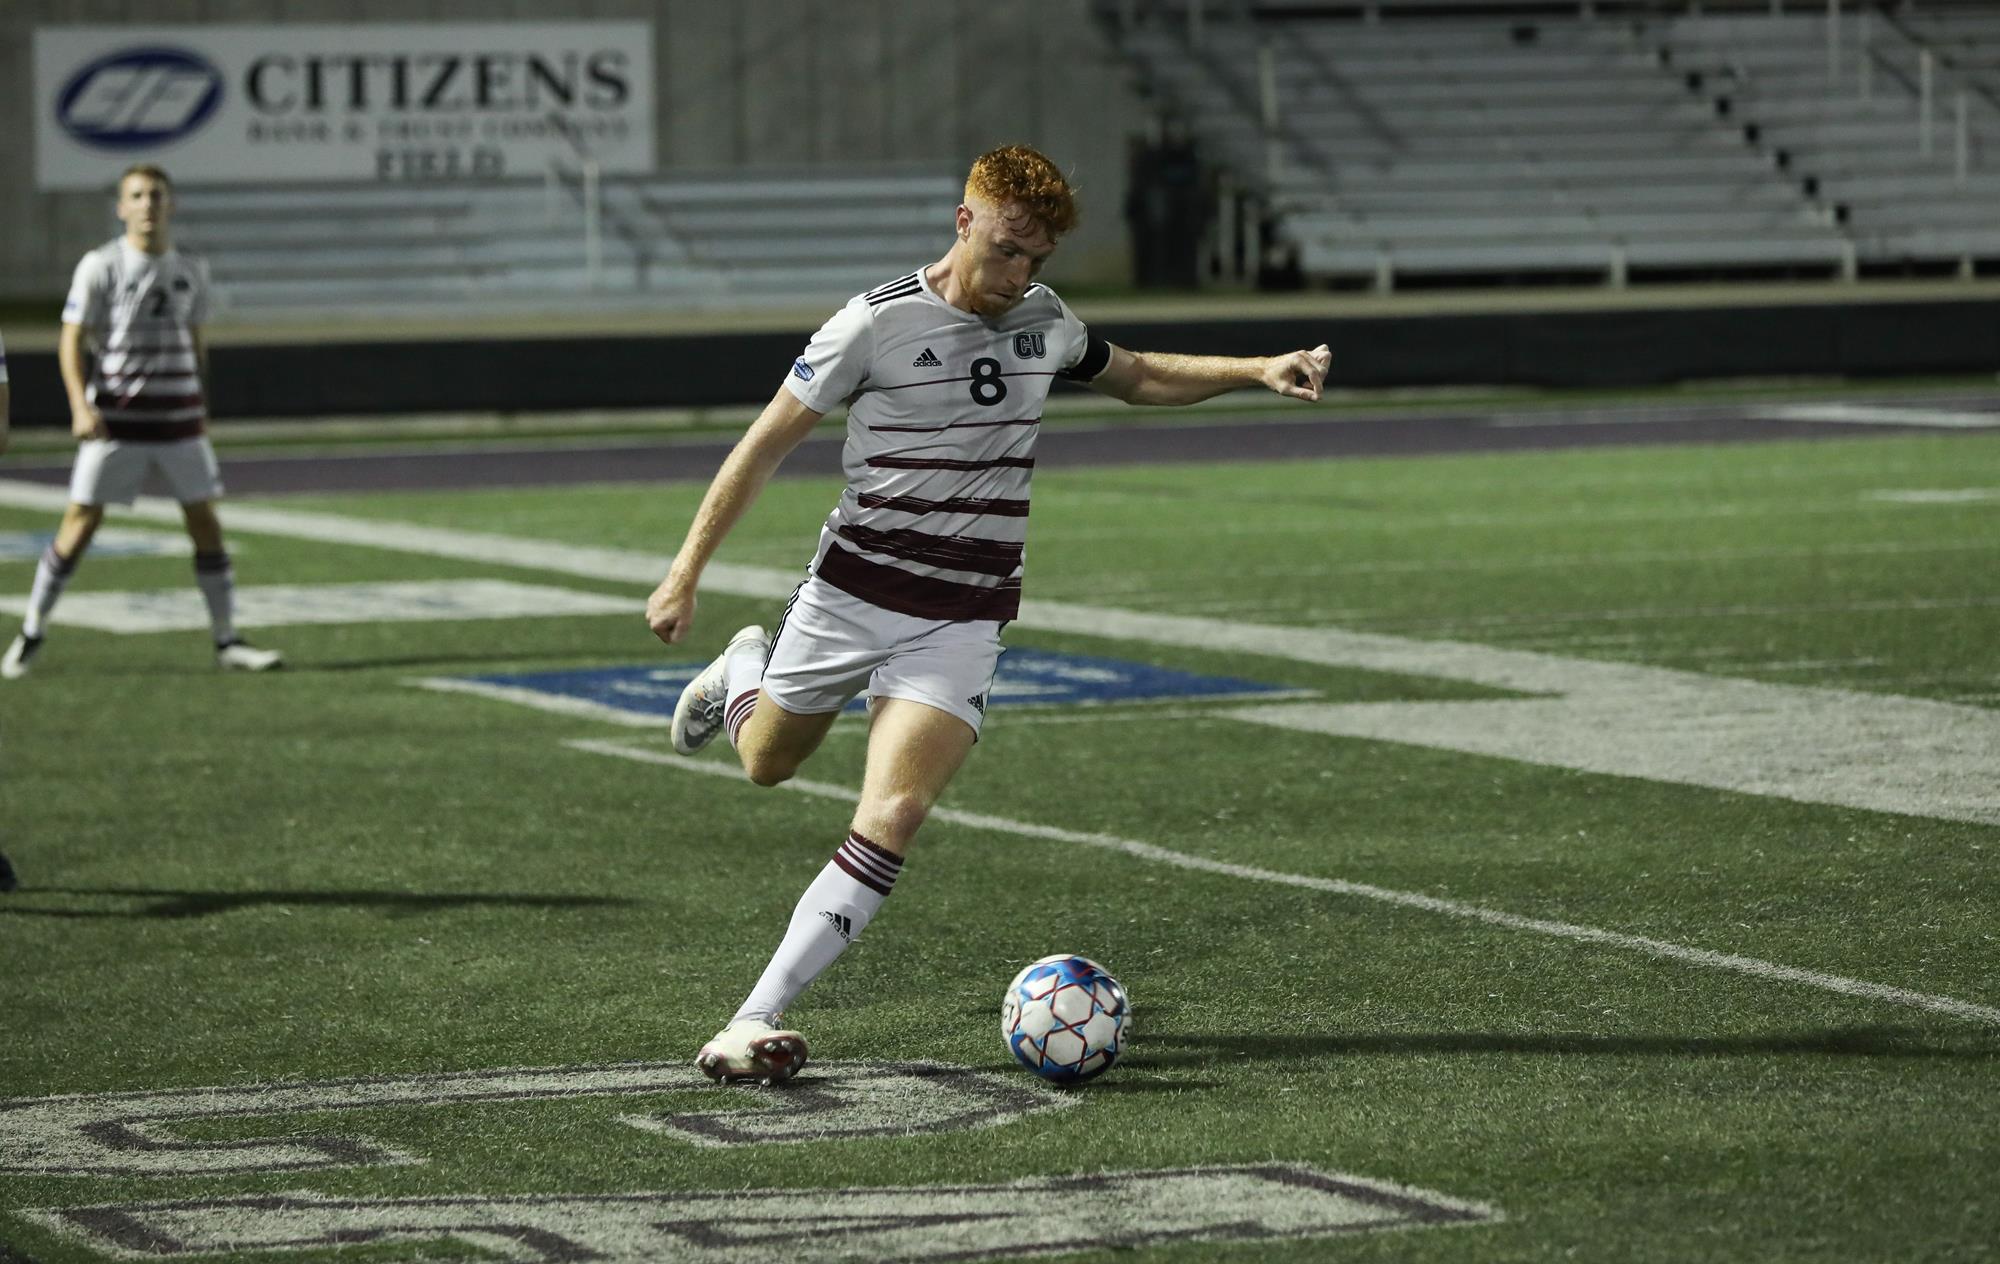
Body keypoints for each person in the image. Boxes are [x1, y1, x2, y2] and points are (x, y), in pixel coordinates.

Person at [646, 144, 1330, 1085]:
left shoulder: (1042, 320)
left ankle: (751, 1019)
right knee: (767, 763)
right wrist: (684, 575)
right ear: (965, 221)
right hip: (851, 594)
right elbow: (761, 448)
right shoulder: (870, 326)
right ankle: (742, 671)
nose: (1020, 275)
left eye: (1037, 259)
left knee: (896, 808)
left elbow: (1135, 375)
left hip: (962, 616)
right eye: (1008, 249)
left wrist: (1256, 367)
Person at [2, 164, 280, 680]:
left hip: (179, 422)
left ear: (171, 205)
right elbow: (70, 339)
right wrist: (80, 408)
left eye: (156, 195)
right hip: (118, 421)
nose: (148, 204)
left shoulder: (192, 267)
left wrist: (203, 402)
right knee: (79, 525)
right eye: (138, 195)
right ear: (121, 207)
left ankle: (227, 639)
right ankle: (31, 632)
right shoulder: (101, 266)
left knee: (206, 525)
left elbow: (196, 342)